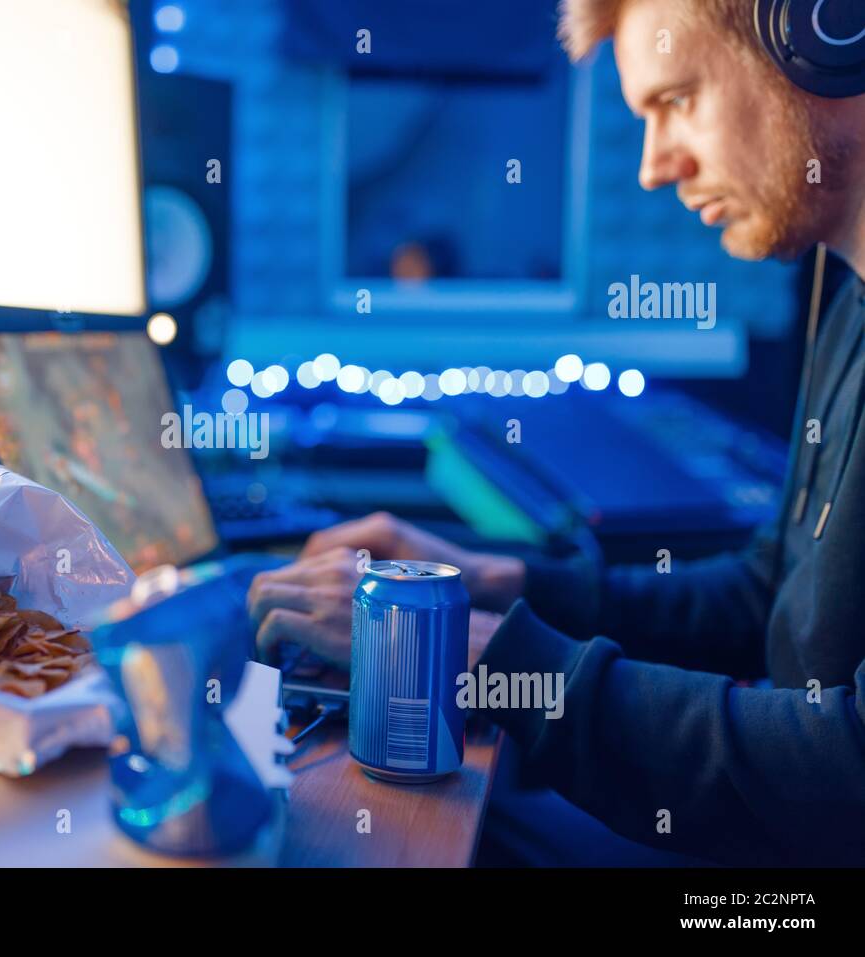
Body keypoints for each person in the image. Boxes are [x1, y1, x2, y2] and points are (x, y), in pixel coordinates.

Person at [248, 0, 865, 866]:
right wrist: (498, 583)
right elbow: (764, 597)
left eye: (677, 100)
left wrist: (497, 659)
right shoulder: (848, 304)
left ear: (825, 32)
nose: (653, 166)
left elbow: (849, 763)